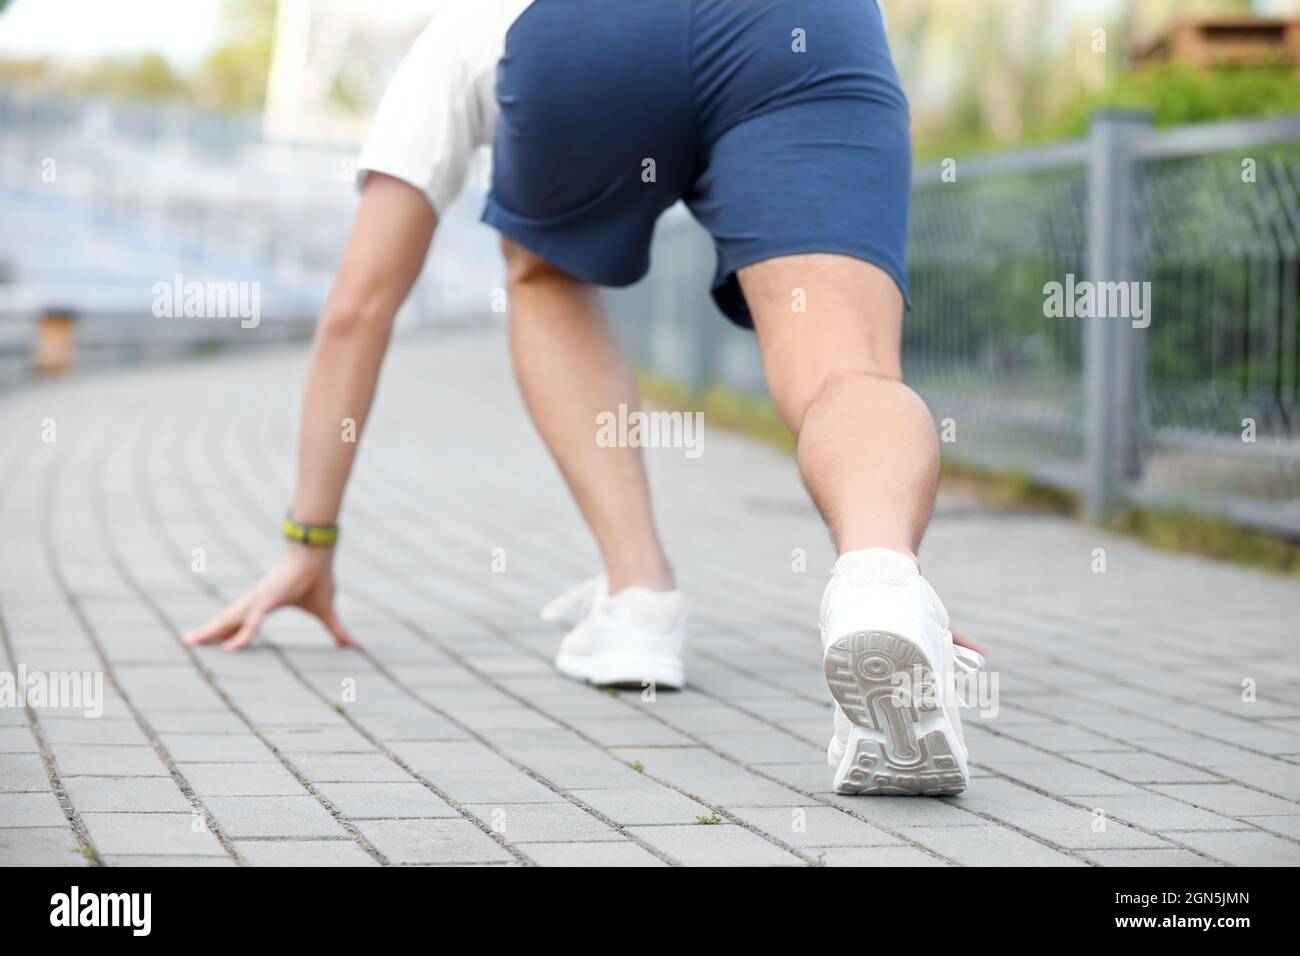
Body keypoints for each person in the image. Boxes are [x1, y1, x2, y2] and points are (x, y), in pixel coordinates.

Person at [187, 0, 982, 797]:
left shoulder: (461, 30)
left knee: (542, 272)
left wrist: (308, 542)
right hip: (799, 23)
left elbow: (357, 310)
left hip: (584, 28)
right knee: (846, 370)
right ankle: (881, 583)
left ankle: (639, 599)